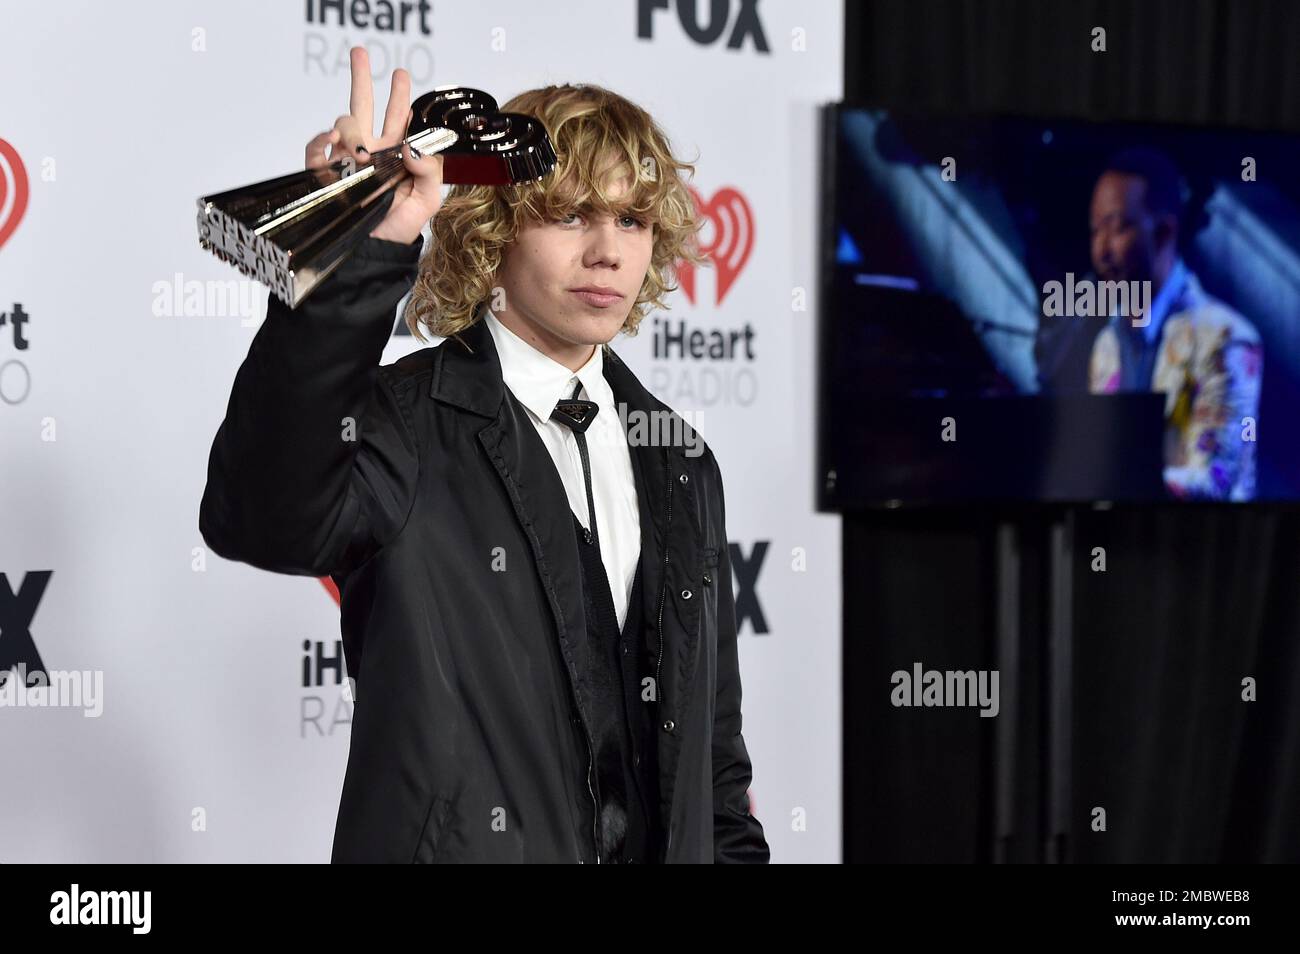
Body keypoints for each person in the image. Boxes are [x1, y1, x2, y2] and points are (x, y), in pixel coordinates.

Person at [199, 47, 769, 863]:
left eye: (632, 219)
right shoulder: (403, 422)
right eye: (569, 214)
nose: (608, 250)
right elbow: (261, 518)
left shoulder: (681, 458)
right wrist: (360, 253)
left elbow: (716, 776)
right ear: (492, 227)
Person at [1085, 148, 1263, 501]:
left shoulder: (1227, 338)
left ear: (1165, 232)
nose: (1101, 251)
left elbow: (1216, 478)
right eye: (1095, 231)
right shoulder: (1106, 344)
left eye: (1117, 228)